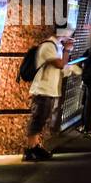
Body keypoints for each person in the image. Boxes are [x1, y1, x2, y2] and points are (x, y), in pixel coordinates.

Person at [22, 28, 77, 162]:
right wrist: (67, 50)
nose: (70, 36)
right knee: (38, 118)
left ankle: (35, 146)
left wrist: (70, 67)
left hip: (50, 89)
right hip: (43, 90)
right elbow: (59, 64)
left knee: (42, 118)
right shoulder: (48, 46)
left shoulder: (56, 46)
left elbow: (60, 68)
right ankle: (30, 149)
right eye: (69, 33)